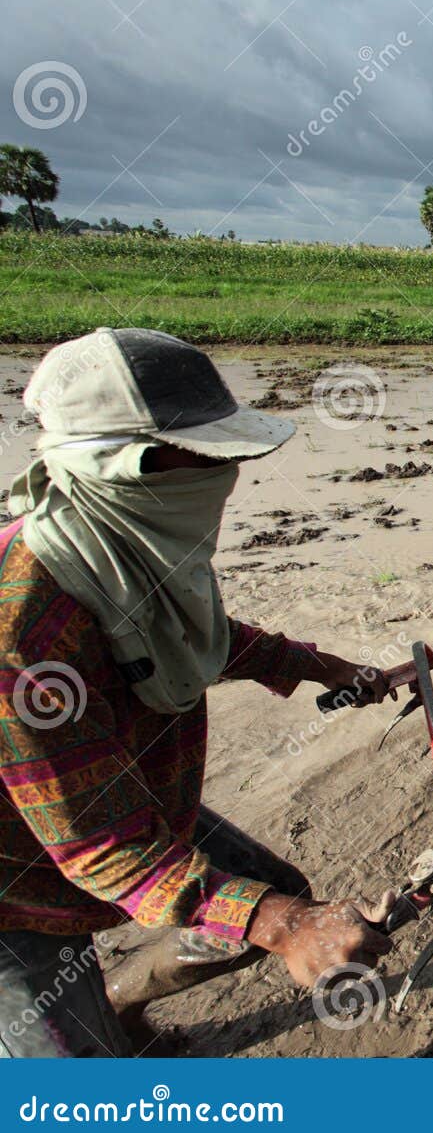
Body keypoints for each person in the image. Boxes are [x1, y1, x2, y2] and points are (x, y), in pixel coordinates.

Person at [0, 328, 397, 1057]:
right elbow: (101, 845)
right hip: (16, 874)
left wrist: (319, 665)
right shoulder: (21, 626)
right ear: (131, 466)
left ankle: (116, 999)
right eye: (211, 456)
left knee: (267, 886)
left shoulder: (126, 538)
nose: (228, 475)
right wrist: (283, 926)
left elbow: (185, 637)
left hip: (119, 790)